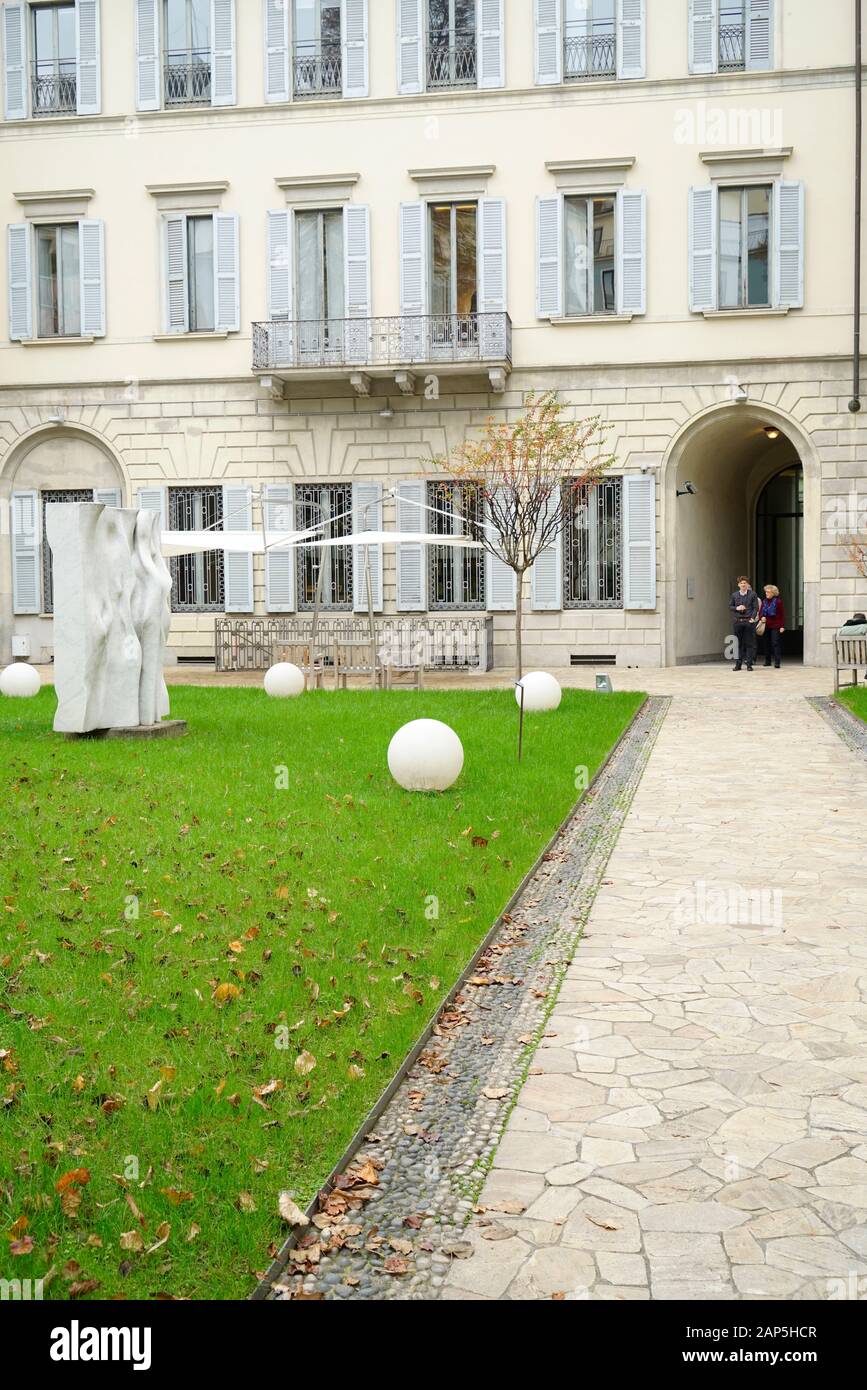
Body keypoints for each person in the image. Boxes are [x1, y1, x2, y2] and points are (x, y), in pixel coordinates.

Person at [729, 575, 759, 671]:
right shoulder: (734, 595)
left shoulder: (753, 594)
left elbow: (756, 608)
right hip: (738, 622)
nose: (743, 585)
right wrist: (737, 608)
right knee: (738, 644)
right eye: (741, 583)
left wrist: (753, 618)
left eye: (745, 583)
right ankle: (738, 664)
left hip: (748, 622)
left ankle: (749, 664)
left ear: (747, 584)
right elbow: (730, 606)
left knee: (749, 644)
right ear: (738, 585)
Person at [758, 584, 786, 669]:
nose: (766, 593)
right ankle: (768, 661)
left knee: (775, 643)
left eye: (768, 592)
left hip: (776, 625)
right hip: (765, 625)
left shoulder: (778, 602)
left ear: (773, 593)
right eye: (766, 592)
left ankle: (777, 662)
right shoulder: (764, 601)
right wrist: (761, 617)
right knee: (766, 644)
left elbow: (782, 615)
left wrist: (782, 626)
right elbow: (760, 613)